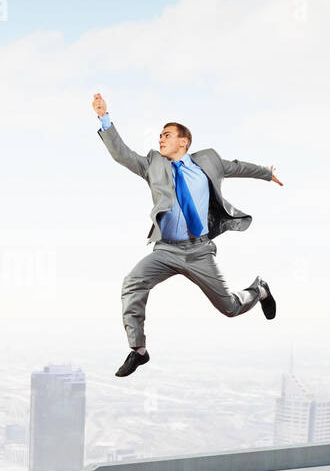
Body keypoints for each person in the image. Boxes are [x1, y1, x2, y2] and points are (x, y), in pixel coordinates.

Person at [92, 93, 283, 377]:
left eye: (167, 135)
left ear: (184, 141)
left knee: (230, 308)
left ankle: (260, 290)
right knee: (132, 284)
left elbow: (238, 166)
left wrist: (266, 174)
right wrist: (104, 118)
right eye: (159, 136)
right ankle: (138, 351)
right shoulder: (153, 164)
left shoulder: (209, 161)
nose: (160, 140)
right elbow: (122, 153)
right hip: (165, 250)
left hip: (199, 251)